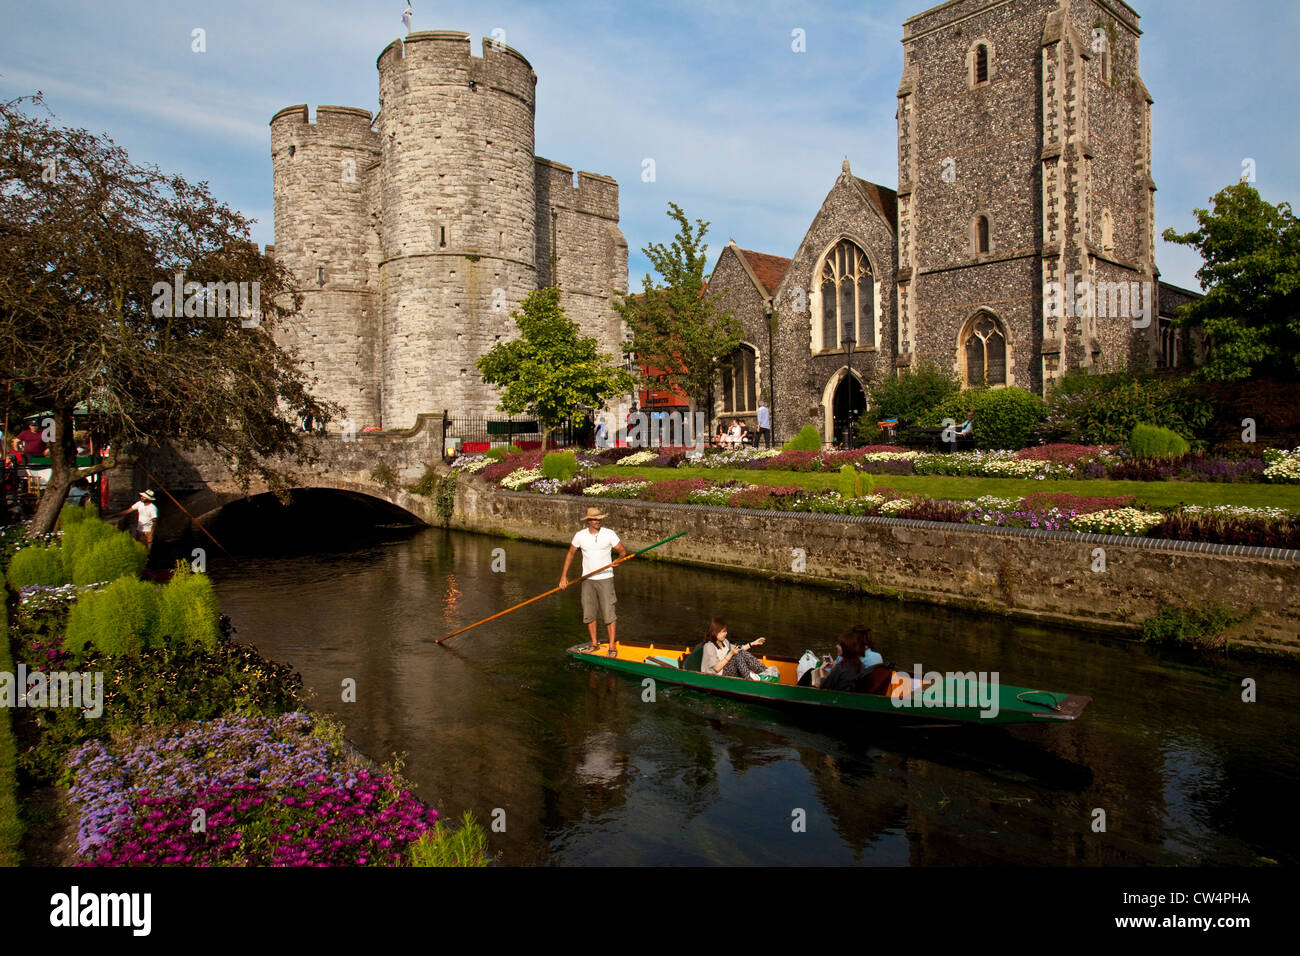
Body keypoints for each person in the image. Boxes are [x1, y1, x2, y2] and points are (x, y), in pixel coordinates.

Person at [559, 507, 628, 655]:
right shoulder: (580, 536)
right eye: (595, 519)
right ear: (589, 521)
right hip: (587, 580)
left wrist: (618, 560)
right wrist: (563, 577)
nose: (598, 521)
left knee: (609, 613)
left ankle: (612, 646)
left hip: (605, 578)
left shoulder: (609, 534)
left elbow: (623, 551)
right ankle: (594, 643)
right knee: (589, 613)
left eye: (599, 519)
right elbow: (570, 554)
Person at [812, 624, 888, 693]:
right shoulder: (864, 664)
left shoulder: (844, 664)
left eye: (840, 645)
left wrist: (822, 670)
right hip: (866, 692)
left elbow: (825, 684)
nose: (836, 646)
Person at [698, 618, 768, 679]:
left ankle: (765, 672)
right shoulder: (709, 646)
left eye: (726, 631)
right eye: (723, 631)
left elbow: (739, 649)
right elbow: (716, 668)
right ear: (715, 632)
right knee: (736, 655)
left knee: (740, 652)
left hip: (728, 671)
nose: (726, 633)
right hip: (716, 676)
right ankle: (749, 679)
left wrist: (753, 643)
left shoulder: (725, 642)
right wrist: (731, 654)